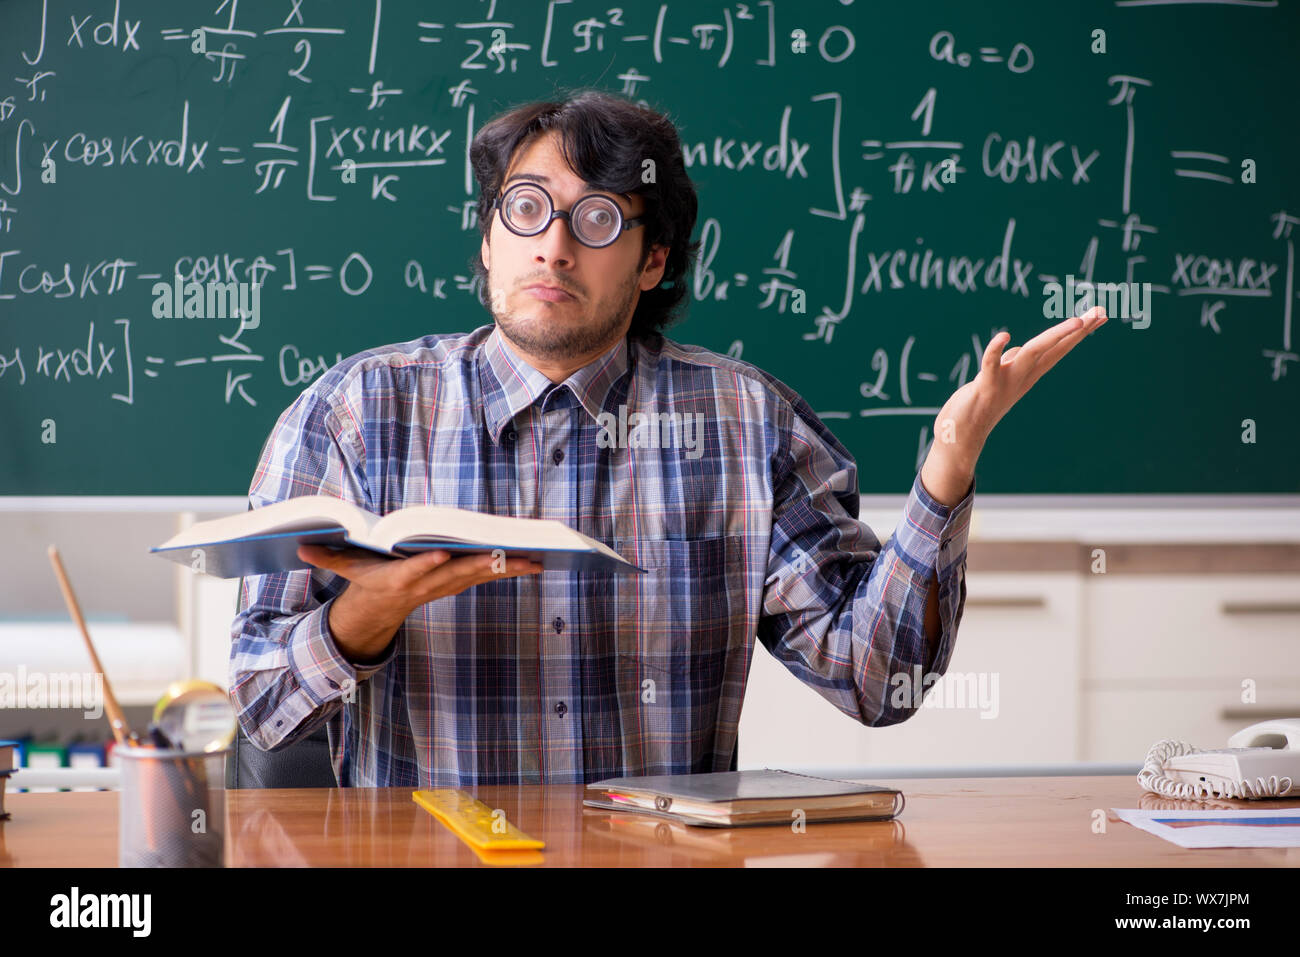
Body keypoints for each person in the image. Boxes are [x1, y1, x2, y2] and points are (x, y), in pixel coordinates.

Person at [231, 90, 1106, 787]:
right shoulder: (354, 412)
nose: (556, 247)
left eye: (600, 218)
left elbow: (875, 682)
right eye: (526, 210)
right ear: (490, 241)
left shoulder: (745, 423)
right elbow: (264, 706)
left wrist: (948, 464)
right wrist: (365, 615)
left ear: (653, 261)